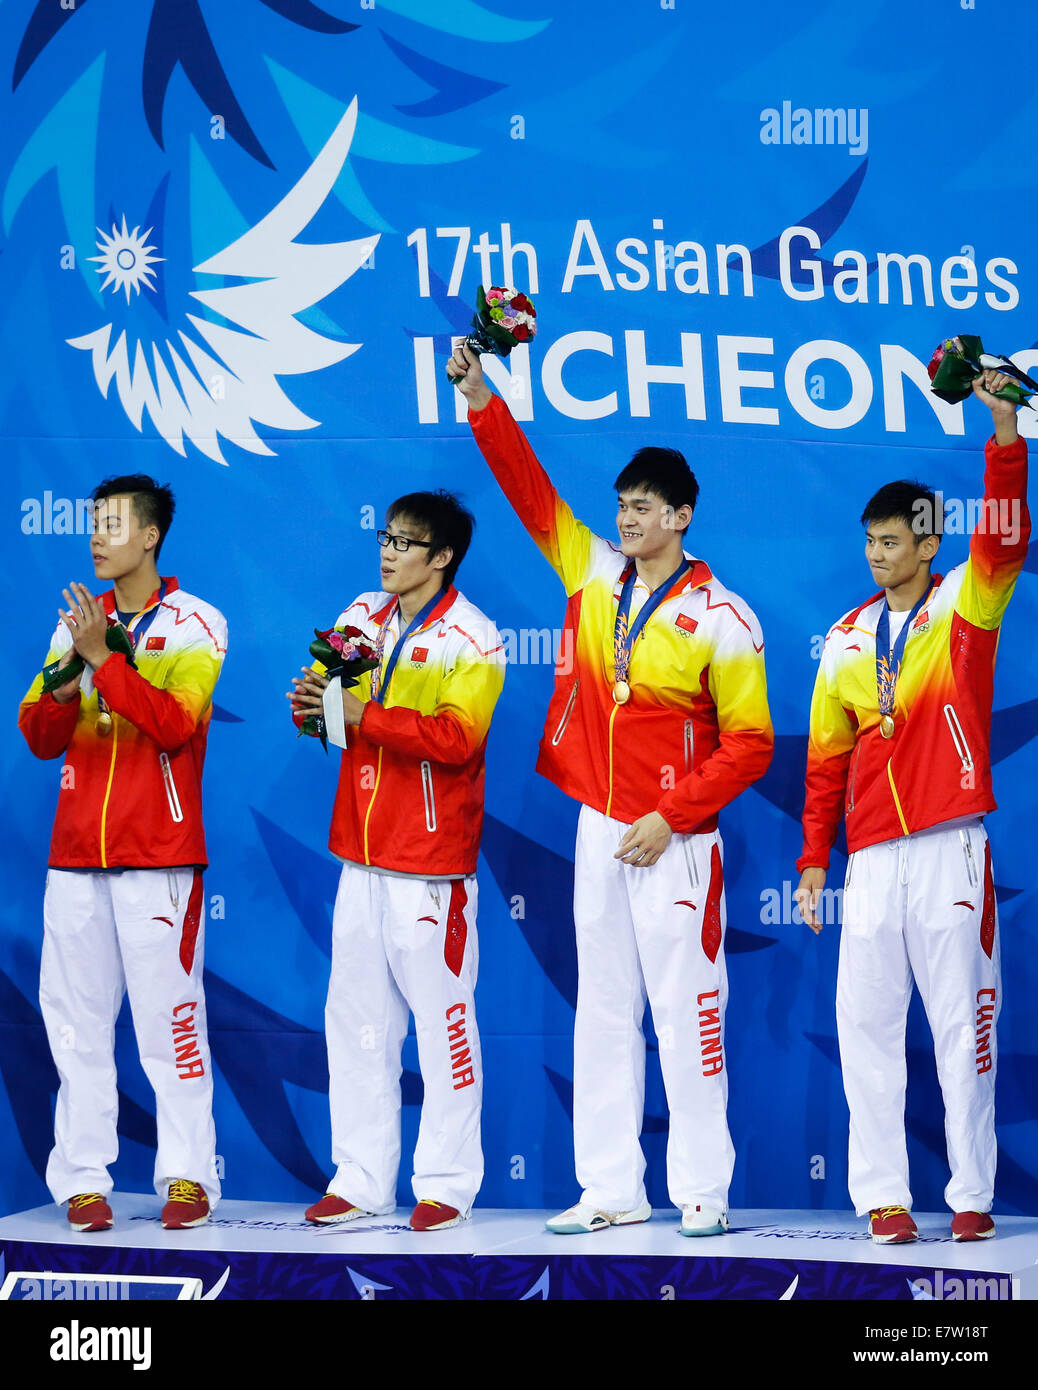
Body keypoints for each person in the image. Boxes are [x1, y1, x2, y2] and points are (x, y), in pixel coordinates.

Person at [448, 345, 772, 1236]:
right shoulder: (592, 576)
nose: (626, 519)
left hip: (676, 837)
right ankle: (611, 1190)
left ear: (682, 515)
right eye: (621, 506)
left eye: (643, 508)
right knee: (603, 1011)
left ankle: (702, 1191)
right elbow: (526, 488)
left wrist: (671, 816)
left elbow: (749, 746)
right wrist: (482, 396)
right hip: (599, 826)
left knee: (688, 1010)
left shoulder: (724, 619)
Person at [795, 369, 1030, 1245]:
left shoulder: (967, 605)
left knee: (963, 1027)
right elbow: (827, 759)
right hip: (873, 859)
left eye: (892, 541)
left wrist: (1004, 428)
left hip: (949, 847)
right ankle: (883, 1197)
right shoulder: (849, 639)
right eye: (870, 540)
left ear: (928, 545)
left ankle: (972, 1195)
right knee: (866, 1026)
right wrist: (817, 855)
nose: (876, 553)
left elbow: (1005, 539)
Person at [290, 490, 505, 1232]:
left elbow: (457, 741)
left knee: (444, 1026)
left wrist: (358, 715)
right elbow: (323, 709)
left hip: (432, 865)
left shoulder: (474, 638)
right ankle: (360, 1179)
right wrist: (313, 705)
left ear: (442, 557)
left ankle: (446, 1181)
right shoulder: (361, 616)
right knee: (353, 1023)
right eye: (385, 536)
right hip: (360, 853)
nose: (386, 551)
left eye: (405, 542)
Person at [18, 475, 227, 1232]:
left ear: (150, 536)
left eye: (112, 524)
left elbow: (173, 724)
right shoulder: (76, 625)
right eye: (92, 523)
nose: (97, 536)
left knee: (172, 1024)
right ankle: (82, 1178)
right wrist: (75, 669)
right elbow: (39, 735)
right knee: (75, 1025)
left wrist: (105, 659)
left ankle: (187, 1177)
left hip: (159, 860)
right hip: (74, 859)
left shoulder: (198, 624)